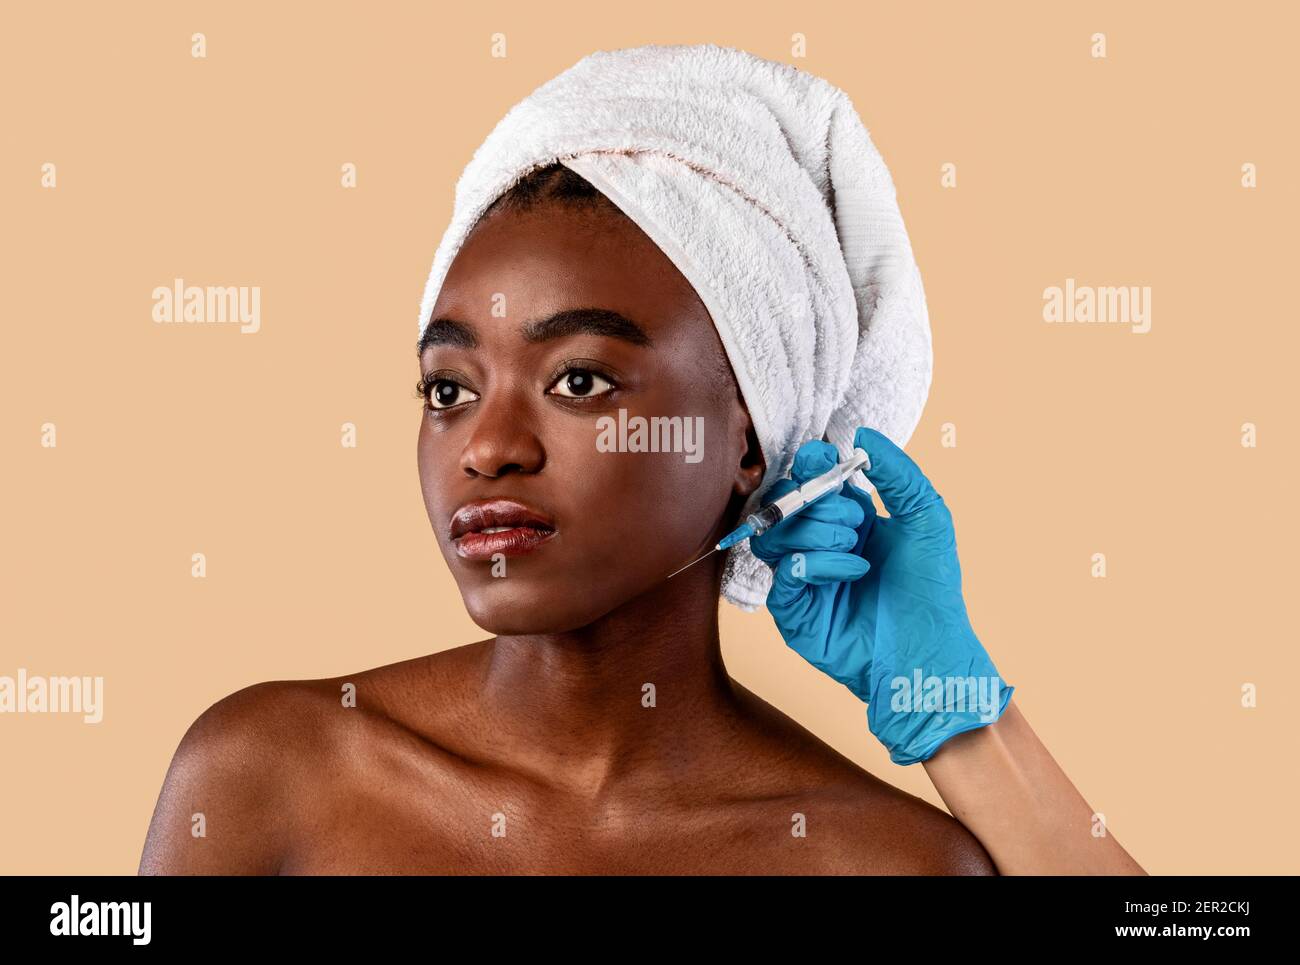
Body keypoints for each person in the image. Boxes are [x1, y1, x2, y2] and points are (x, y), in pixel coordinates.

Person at [139, 163, 1144, 874]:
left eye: (578, 378)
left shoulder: (877, 860)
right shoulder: (270, 768)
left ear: (747, 442)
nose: (486, 446)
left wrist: (958, 717)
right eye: (447, 387)